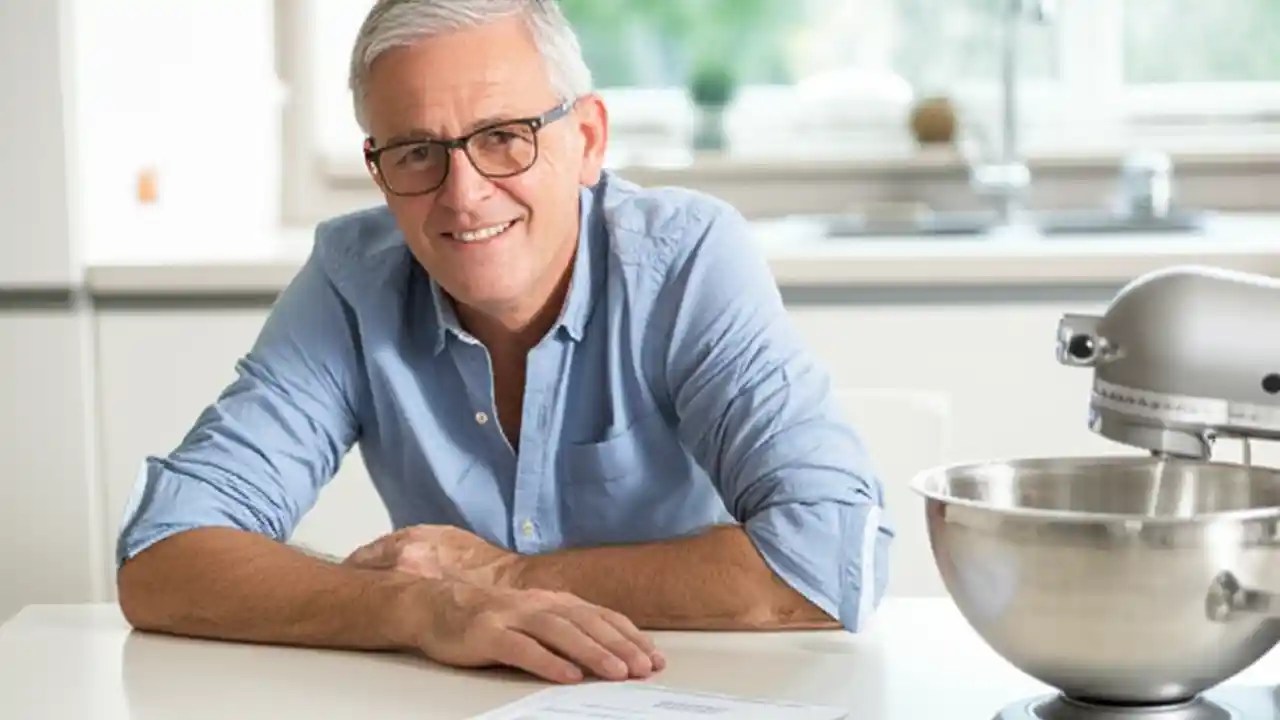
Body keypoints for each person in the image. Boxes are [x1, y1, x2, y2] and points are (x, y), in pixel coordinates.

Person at [115, 0, 893, 686]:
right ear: (379, 173)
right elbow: (164, 555)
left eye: (503, 138)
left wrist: (506, 576)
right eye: (417, 151)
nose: (463, 194)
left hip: (699, 685)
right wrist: (424, 608)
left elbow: (832, 557)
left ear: (587, 139)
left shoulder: (685, 260)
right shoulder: (353, 280)